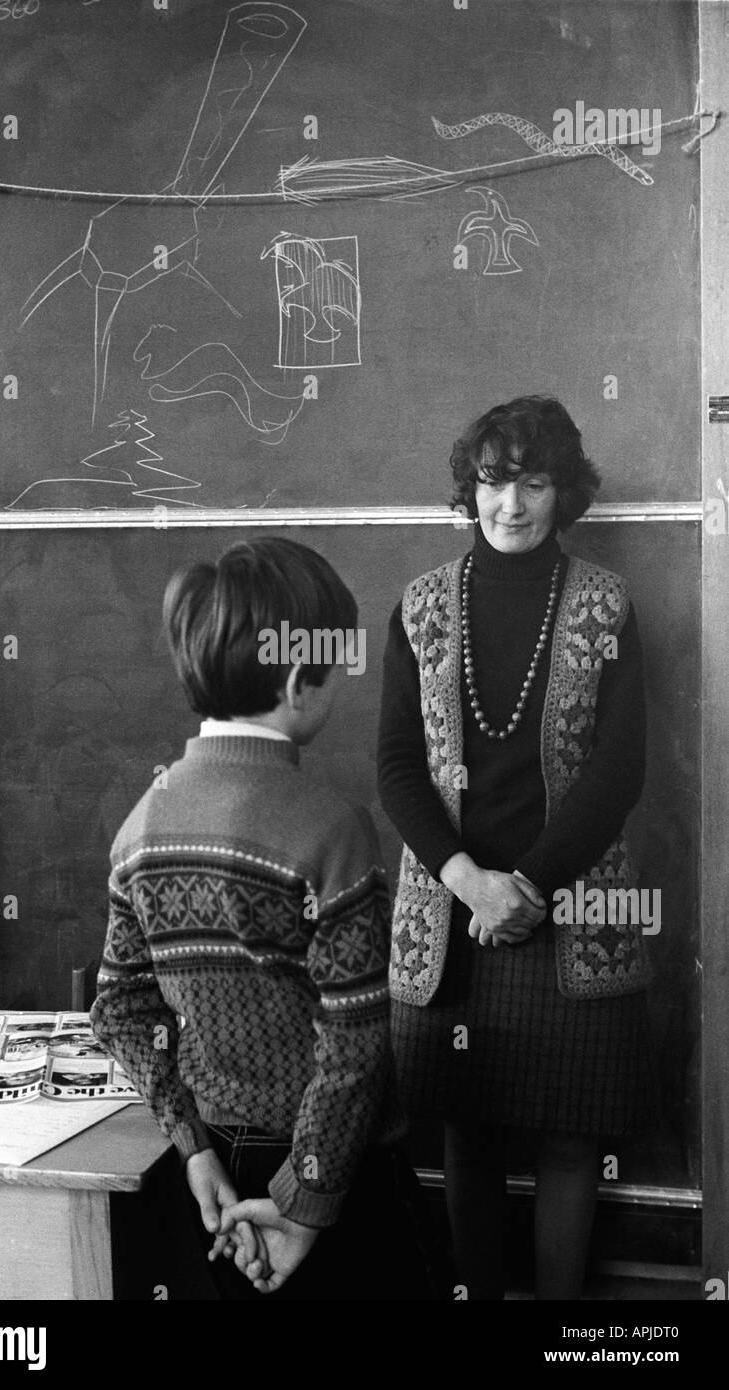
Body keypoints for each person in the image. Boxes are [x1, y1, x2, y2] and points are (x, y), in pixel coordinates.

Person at [91, 537, 431, 1300]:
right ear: (293, 677)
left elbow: (119, 1008)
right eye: (337, 660)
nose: (343, 678)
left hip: (217, 1178)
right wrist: (306, 1202)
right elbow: (354, 1042)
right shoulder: (331, 829)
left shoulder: (141, 827)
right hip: (340, 1182)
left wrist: (192, 1150)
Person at [377, 396, 656, 1301]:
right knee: (468, 1127)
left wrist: (527, 885)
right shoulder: (417, 608)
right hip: (452, 918)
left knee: (573, 1135)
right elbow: (396, 769)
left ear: (561, 492)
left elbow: (622, 771)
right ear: (472, 487)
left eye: (534, 482)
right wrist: (471, 885)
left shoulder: (607, 604)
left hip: (570, 912)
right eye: (495, 480)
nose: (512, 503)